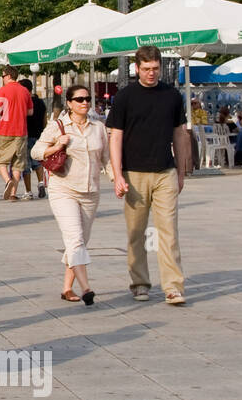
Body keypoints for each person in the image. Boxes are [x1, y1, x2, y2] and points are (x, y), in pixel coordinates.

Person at [107, 45, 191, 306]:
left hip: (165, 170)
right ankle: (140, 282)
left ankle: (173, 287)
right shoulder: (125, 97)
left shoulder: (173, 96)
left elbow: (179, 132)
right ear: (137, 68)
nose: (151, 73)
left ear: (160, 66)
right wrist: (117, 174)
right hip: (134, 173)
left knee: (169, 231)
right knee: (136, 232)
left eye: (155, 68)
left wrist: (181, 170)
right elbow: (115, 136)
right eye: (146, 69)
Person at [32, 84, 111, 305]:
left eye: (87, 99)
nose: (84, 102)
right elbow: (36, 151)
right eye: (79, 99)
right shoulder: (58, 126)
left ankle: (67, 288)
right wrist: (56, 146)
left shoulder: (98, 128)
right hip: (63, 189)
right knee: (75, 238)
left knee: (79, 242)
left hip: (91, 191)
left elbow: (106, 159)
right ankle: (86, 288)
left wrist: (117, 180)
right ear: (69, 103)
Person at [0, 66, 32, 201]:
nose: (2, 79)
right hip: (21, 131)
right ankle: (13, 193)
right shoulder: (25, 91)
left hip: (6, 130)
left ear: (8, 76)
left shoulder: (2, 90)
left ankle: (7, 180)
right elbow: (30, 112)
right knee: (17, 163)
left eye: (2, 76)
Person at [20, 78, 47, 199]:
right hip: (39, 135)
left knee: (26, 165)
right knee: (38, 161)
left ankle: (28, 191)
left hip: (25, 135)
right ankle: (41, 183)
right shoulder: (40, 102)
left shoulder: (24, 102)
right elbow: (45, 119)